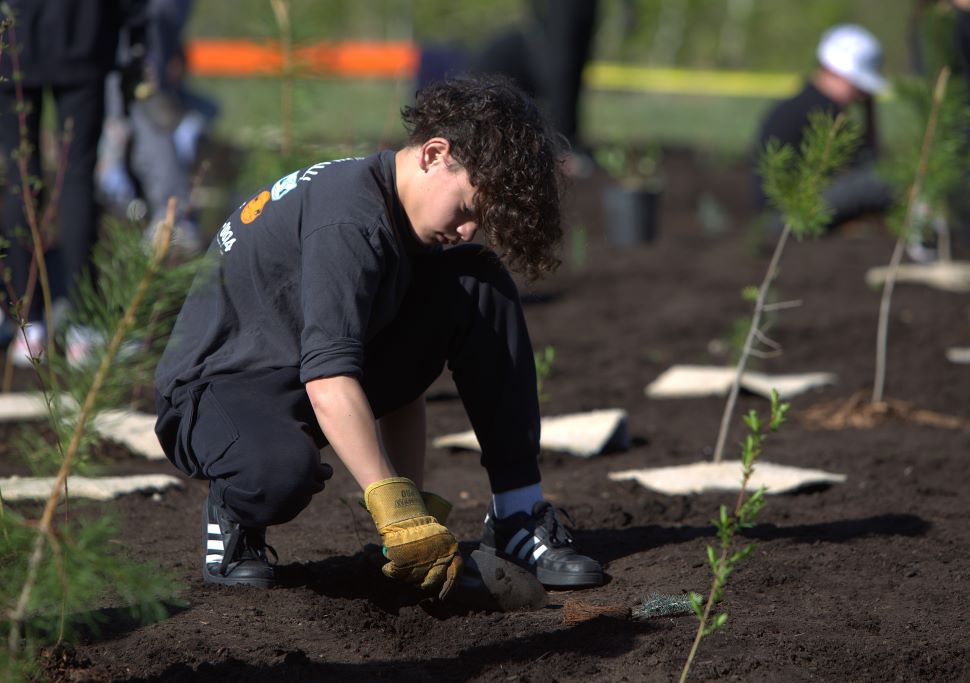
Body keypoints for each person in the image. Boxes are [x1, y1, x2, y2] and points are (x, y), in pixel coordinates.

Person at [153, 76, 604, 595]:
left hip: (295, 363)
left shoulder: (403, 219)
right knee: (277, 474)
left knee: (478, 280)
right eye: (466, 209)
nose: (468, 229)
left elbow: (399, 385)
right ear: (435, 154)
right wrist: (397, 516)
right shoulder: (353, 221)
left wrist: (409, 515)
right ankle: (235, 512)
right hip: (219, 388)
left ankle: (518, 514)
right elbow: (329, 382)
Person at [0, 0, 146, 366]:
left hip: (13, 35)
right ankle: (82, 329)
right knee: (77, 176)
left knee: (21, 175)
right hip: (83, 31)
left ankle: (26, 327)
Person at [752, 24, 893, 233]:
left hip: (778, 216)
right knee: (880, 182)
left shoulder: (803, 104)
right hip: (784, 217)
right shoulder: (823, 114)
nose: (862, 94)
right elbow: (864, 166)